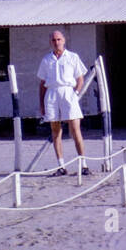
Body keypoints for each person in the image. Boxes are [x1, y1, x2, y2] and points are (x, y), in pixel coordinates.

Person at [36, 30, 88, 175]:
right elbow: (42, 83)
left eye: (59, 39)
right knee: (56, 131)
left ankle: (83, 165)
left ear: (64, 40)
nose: (56, 42)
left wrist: (76, 93)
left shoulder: (72, 57)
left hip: (68, 93)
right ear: (50, 42)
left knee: (75, 129)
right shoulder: (47, 60)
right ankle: (61, 166)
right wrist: (41, 104)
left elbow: (80, 78)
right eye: (54, 40)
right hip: (52, 94)